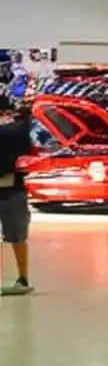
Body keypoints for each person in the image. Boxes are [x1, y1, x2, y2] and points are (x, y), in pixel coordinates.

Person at [0, 99, 33, 296]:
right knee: (18, 237)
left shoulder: (10, 132)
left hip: (12, 190)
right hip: (13, 189)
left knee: (16, 236)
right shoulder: (17, 132)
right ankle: (23, 278)